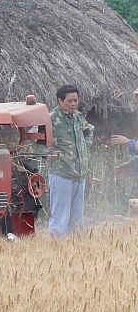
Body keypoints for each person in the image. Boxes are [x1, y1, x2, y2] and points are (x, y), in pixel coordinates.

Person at [47, 84, 94, 237]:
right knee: (60, 215)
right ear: (60, 101)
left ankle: (75, 246)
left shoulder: (78, 117)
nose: (73, 104)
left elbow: (89, 131)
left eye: (76, 100)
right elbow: (34, 140)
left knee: (77, 218)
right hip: (61, 173)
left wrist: (85, 146)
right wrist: (50, 153)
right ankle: (54, 245)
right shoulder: (50, 119)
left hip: (80, 174)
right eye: (70, 101)